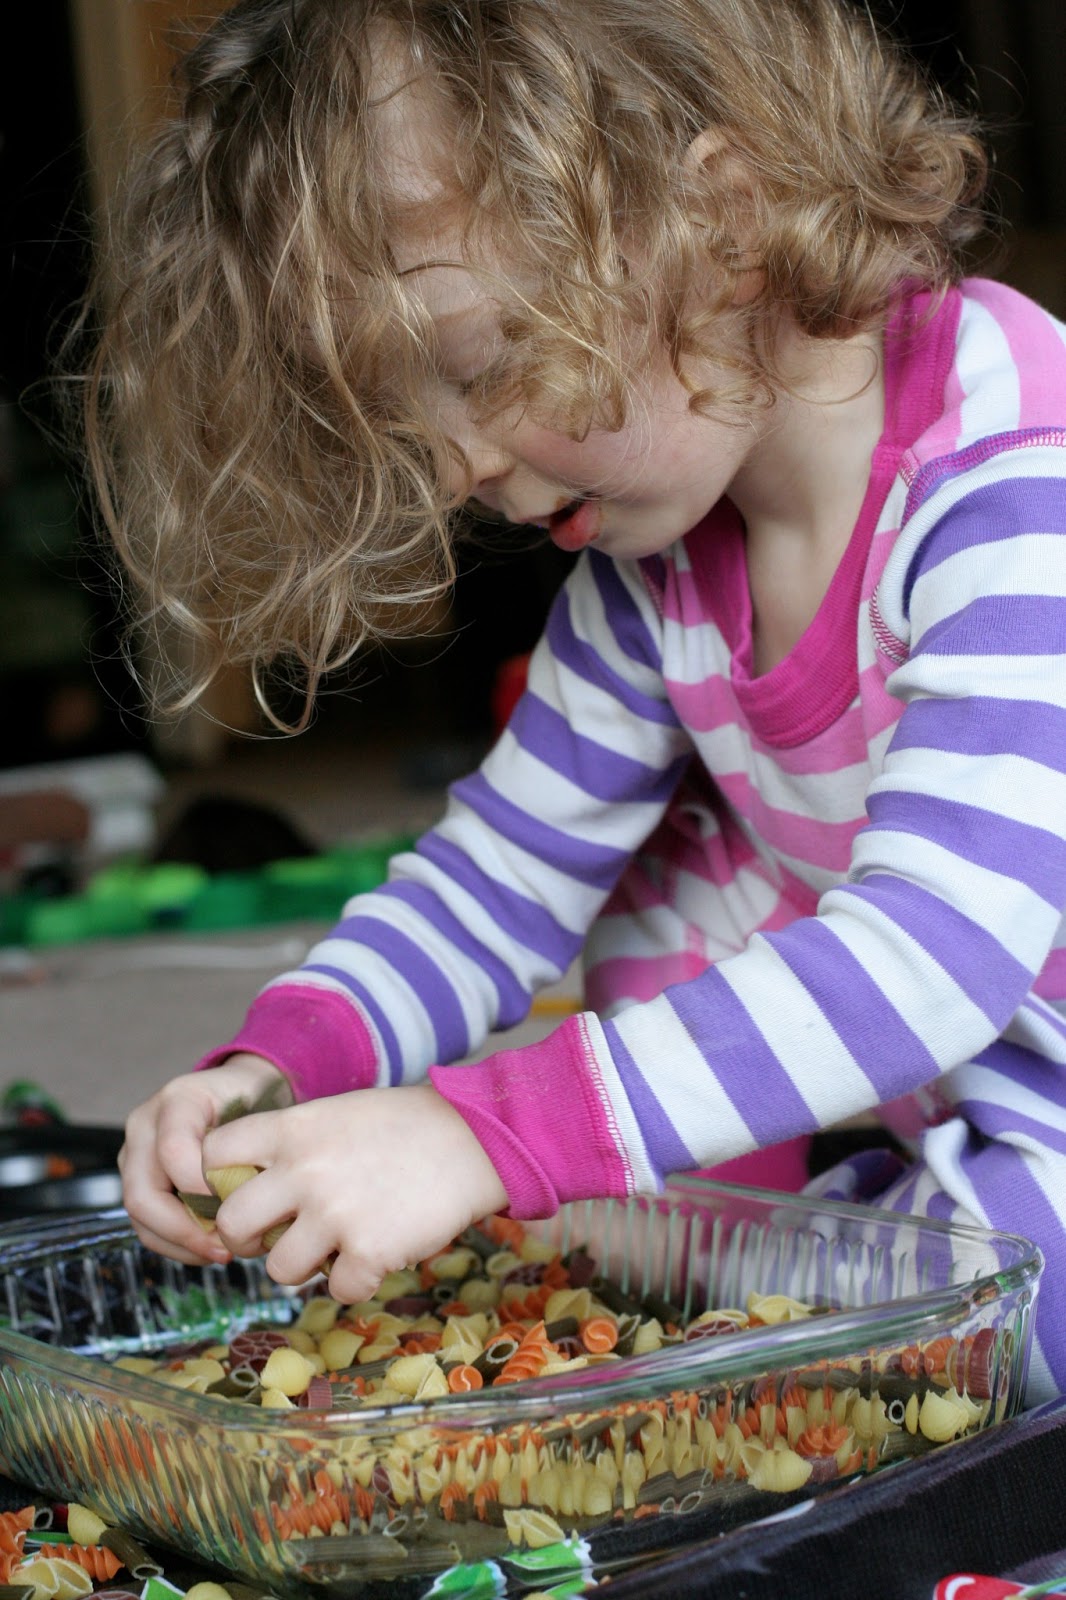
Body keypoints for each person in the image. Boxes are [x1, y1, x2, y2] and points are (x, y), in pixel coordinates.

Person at [81, 0, 1066, 1405]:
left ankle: (791, 1284)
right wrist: (278, 1061)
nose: (447, 468)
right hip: (964, 1098)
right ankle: (779, 1264)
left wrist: (478, 1137)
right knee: (655, 867)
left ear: (716, 222)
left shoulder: (1015, 472)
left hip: (1013, 1067)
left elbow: (937, 951)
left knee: (1018, 1304)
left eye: (476, 372)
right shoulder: (650, 562)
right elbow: (500, 876)